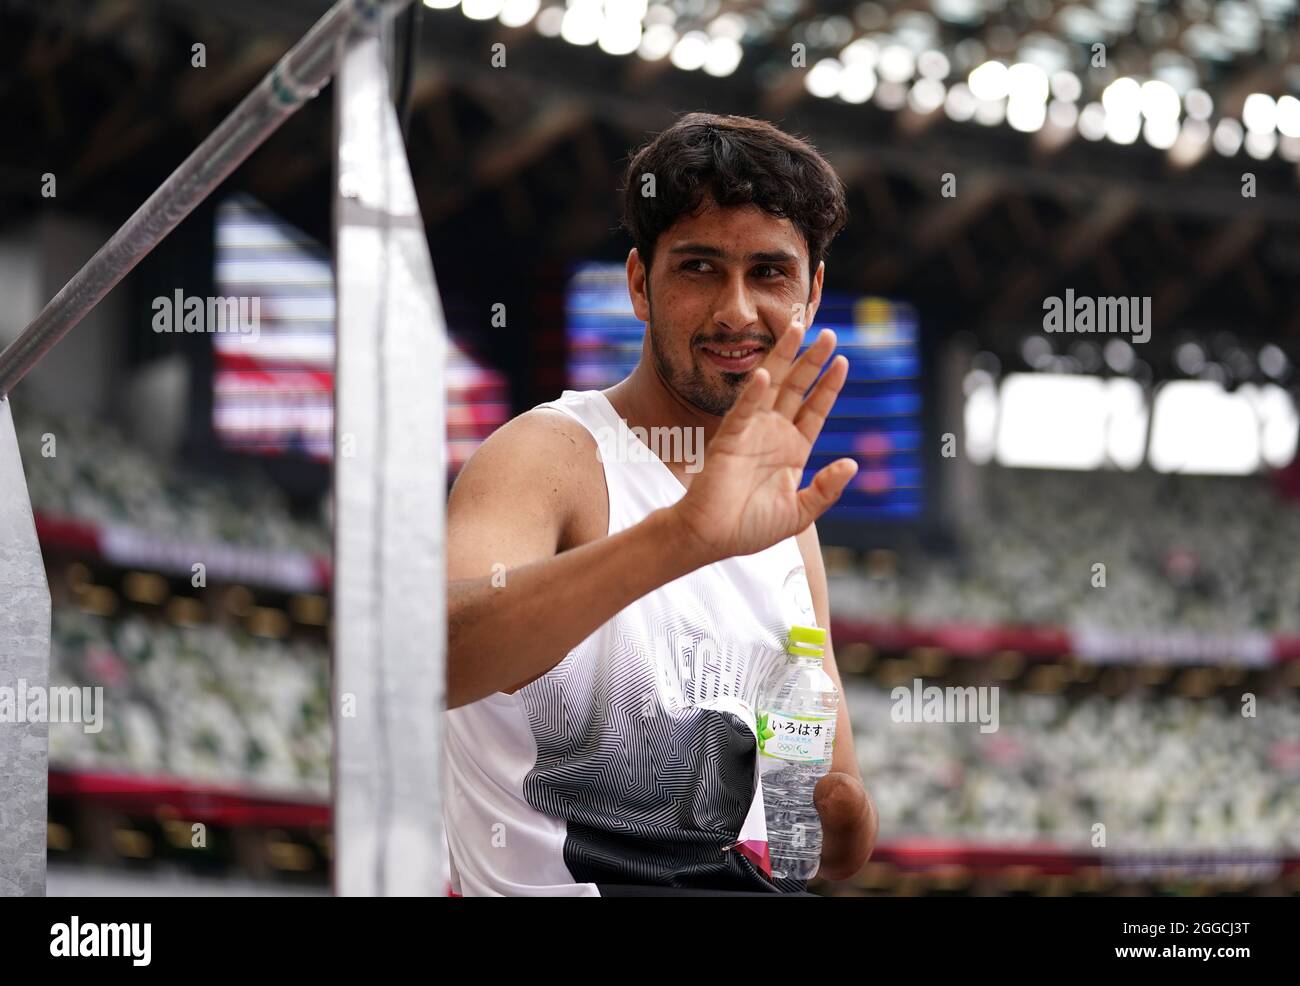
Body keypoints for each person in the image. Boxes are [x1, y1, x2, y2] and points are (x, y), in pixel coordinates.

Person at [443, 112, 877, 896]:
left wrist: (837, 807)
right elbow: (426, 660)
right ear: (641, 283)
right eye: (700, 268)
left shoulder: (788, 528)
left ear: (811, 292)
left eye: (770, 273)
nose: (737, 312)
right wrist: (679, 537)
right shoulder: (551, 456)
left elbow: (823, 843)